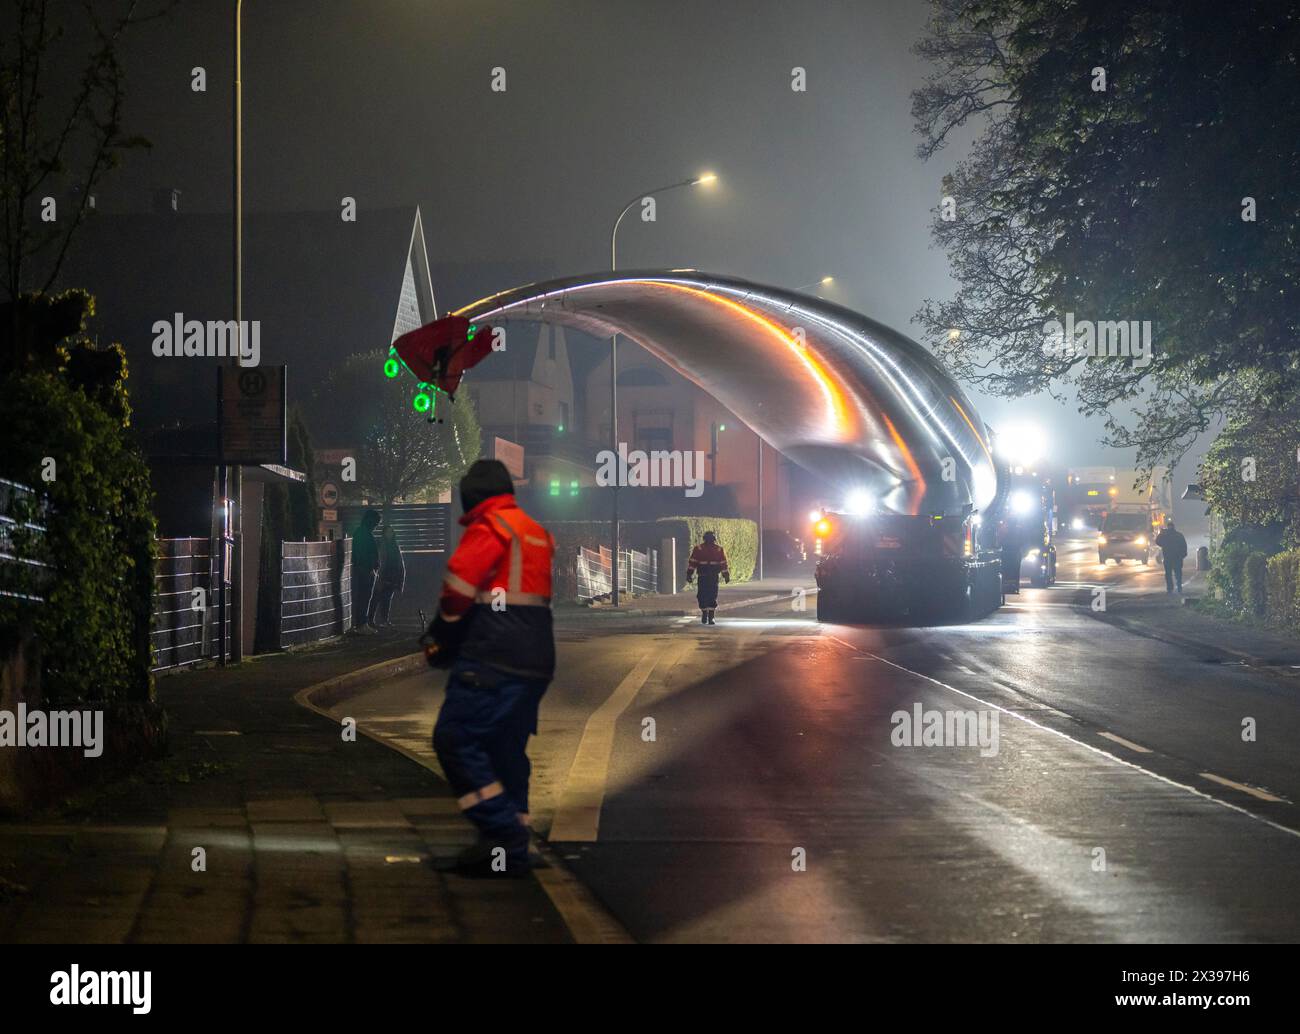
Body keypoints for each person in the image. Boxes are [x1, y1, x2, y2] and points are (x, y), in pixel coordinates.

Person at [426, 460, 555, 876]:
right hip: (536, 659)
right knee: (506, 748)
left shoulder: (491, 527)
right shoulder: (535, 532)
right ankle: (512, 848)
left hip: (493, 655)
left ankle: (503, 833)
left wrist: (443, 634)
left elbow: (458, 590)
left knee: (455, 738)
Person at [686, 531, 730, 624]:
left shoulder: (701, 549)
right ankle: (707, 614)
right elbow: (723, 564)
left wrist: (689, 574)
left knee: (708, 595)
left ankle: (709, 616)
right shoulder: (712, 549)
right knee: (706, 595)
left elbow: (723, 564)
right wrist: (726, 575)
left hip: (707, 576)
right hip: (707, 576)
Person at [369, 523, 406, 628]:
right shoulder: (380, 544)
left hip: (392, 575)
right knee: (376, 598)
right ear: (384, 533)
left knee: (387, 598)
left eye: (391, 532)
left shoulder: (395, 545)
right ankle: (371, 620)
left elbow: (399, 561)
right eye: (387, 532)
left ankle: (384, 620)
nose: (389, 534)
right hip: (382, 575)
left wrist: (400, 576)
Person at [351, 510, 381, 632]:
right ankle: (361, 624)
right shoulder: (365, 534)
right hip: (366, 571)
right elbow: (364, 554)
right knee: (365, 596)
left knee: (364, 597)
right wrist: (370, 568)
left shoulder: (361, 532)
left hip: (365, 570)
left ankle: (362, 623)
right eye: (376, 523)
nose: (377, 525)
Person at [1155, 519, 1188, 594]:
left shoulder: (1165, 535)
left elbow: (1157, 542)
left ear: (1168, 527)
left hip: (1168, 558)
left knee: (1168, 574)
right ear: (1174, 527)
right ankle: (1179, 587)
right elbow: (1184, 546)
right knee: (1178, 573)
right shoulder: (1179, 535)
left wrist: (1161, 533)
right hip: (1177, 558)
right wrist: (1183, 555)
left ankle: (1170, 588)